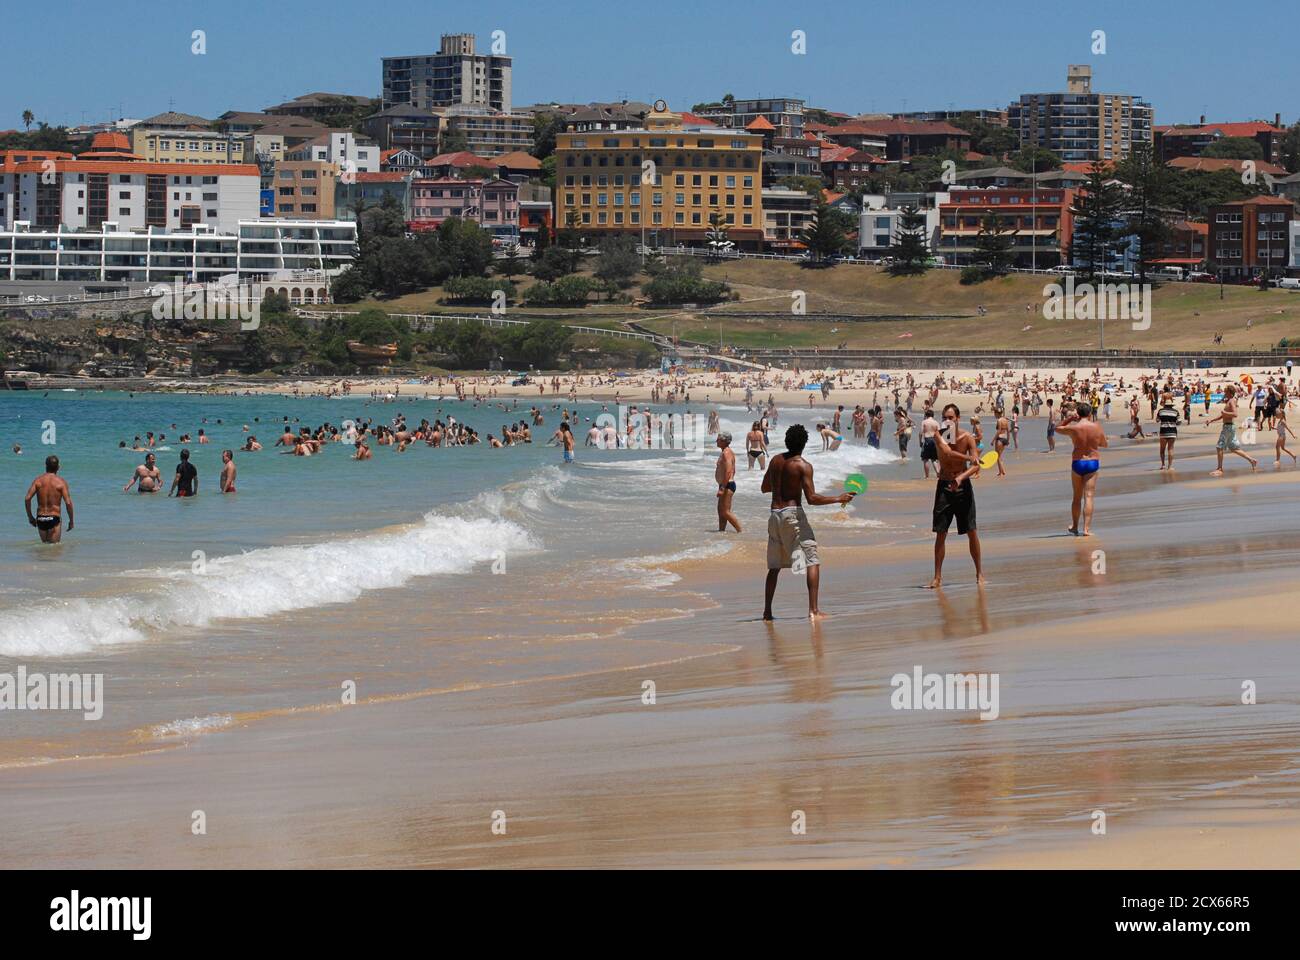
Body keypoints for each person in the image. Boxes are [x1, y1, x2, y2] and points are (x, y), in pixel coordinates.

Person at [761, 424, 854, 621]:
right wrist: (839, 498)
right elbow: (811, 498)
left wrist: (782, 484)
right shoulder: (803, 466)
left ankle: (767, 612)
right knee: (812, 559)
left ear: (787, 441)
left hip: (774, 514)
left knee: (774, 567)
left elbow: (764, 487)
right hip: (792, 514)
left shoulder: (776, 461)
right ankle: (813, 610)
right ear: (804, 444)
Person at [929, 405, 983, 588]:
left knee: (972, 531)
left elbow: (977, 466)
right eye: (945, 417)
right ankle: (937, 577)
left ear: (958, 418)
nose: (947, 421)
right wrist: (970, 459)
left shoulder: (967, 438)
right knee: (940, 533)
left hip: (962, 487)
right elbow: (947, 453)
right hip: (944, 486)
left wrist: (960, 477)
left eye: (951, 417)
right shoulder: (938, 434)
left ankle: (979, 574)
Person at [1056, 401, 1107, 536]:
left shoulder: (1074, 428)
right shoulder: (1096, 427)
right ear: (1090, 413)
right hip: (1092, 462)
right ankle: (1086, 529)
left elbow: (1057, 428)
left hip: (1078, 462)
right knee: (1089, 496)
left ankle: (1074, 527)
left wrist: (1069, 419)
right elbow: (1104, 444)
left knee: (1077, 497)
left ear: (1078, 414)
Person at [1205, 385, 1259, 476]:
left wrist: (1225, 412)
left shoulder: (1231, 401)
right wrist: (1211, 420)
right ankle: (1252, 460)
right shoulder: (1229, 401)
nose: (1224, 393)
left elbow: (1235, 414)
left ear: (1229, 392)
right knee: (1234, 448)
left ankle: (1220, 469)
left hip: (1228, 427)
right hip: (1229, 427)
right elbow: (1223, 415)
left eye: (1225, 391)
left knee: (1219, 447)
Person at [25, 454, 74, 543]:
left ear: (46, 466)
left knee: (45, 550)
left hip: (40, 519)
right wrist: (71, 521)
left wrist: (30, 517)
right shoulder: (61, 483)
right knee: (54, 551)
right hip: (53, 518)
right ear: (58, 467)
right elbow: (68, 503)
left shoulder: (38, 481)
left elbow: (27, 498)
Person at [715, 432, 741, 533]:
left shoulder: (727, 453)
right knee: (721, 512)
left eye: (718, 439)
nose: (716, 441)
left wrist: (722, 488)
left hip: (727, 485)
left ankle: (740, 532)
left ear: (724, 441)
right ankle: (721, 532)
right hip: (724, 484)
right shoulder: (725, 452)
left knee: (725, 512)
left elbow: (729, 470)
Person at [1156, 392, 1179, 470]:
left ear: (1165, 404)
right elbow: (1179, 422)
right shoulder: (1175, 412)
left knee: (1162, 449)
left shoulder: (1161, 411)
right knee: (1170, 449)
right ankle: (1170, 466)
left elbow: (1157, 420)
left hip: (1163, 432)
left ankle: (1163, 465)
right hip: (1172, 432)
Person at [920, 409, 940, 479]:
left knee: (925, 459)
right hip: (935, 440)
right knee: (934, 459)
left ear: (926, 415)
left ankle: (927, 476)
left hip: (927, 440)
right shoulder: (936, 422)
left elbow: (920, 432)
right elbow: (939, 433)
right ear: (933, 415)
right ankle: (938, 473)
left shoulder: (924, 422)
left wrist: (920, 442)